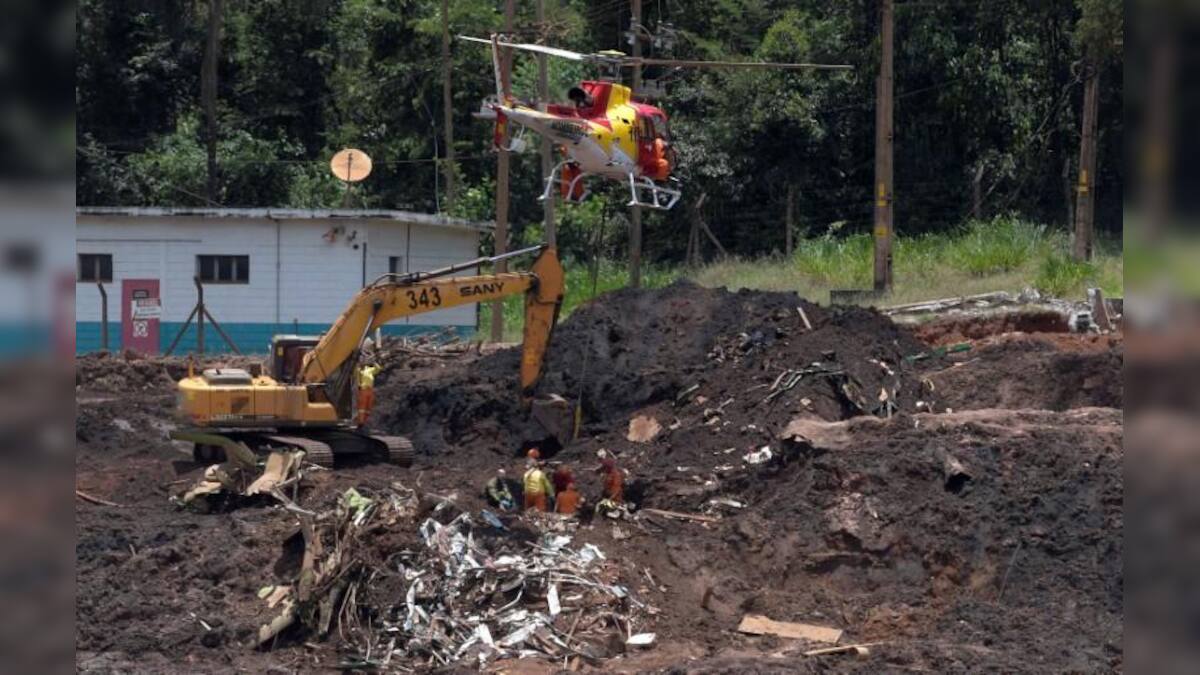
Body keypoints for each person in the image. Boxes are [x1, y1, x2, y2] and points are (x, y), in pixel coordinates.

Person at [355, 362, 382, 426]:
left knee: (369, 406)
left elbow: (378, 369)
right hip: (363, 389)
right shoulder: (359, 370)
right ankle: (360, 422)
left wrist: (374, 363)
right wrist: (359, 367)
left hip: (370, 389)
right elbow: (356, 375)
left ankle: (365, 421)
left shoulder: (369, 369)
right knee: (362, 407)